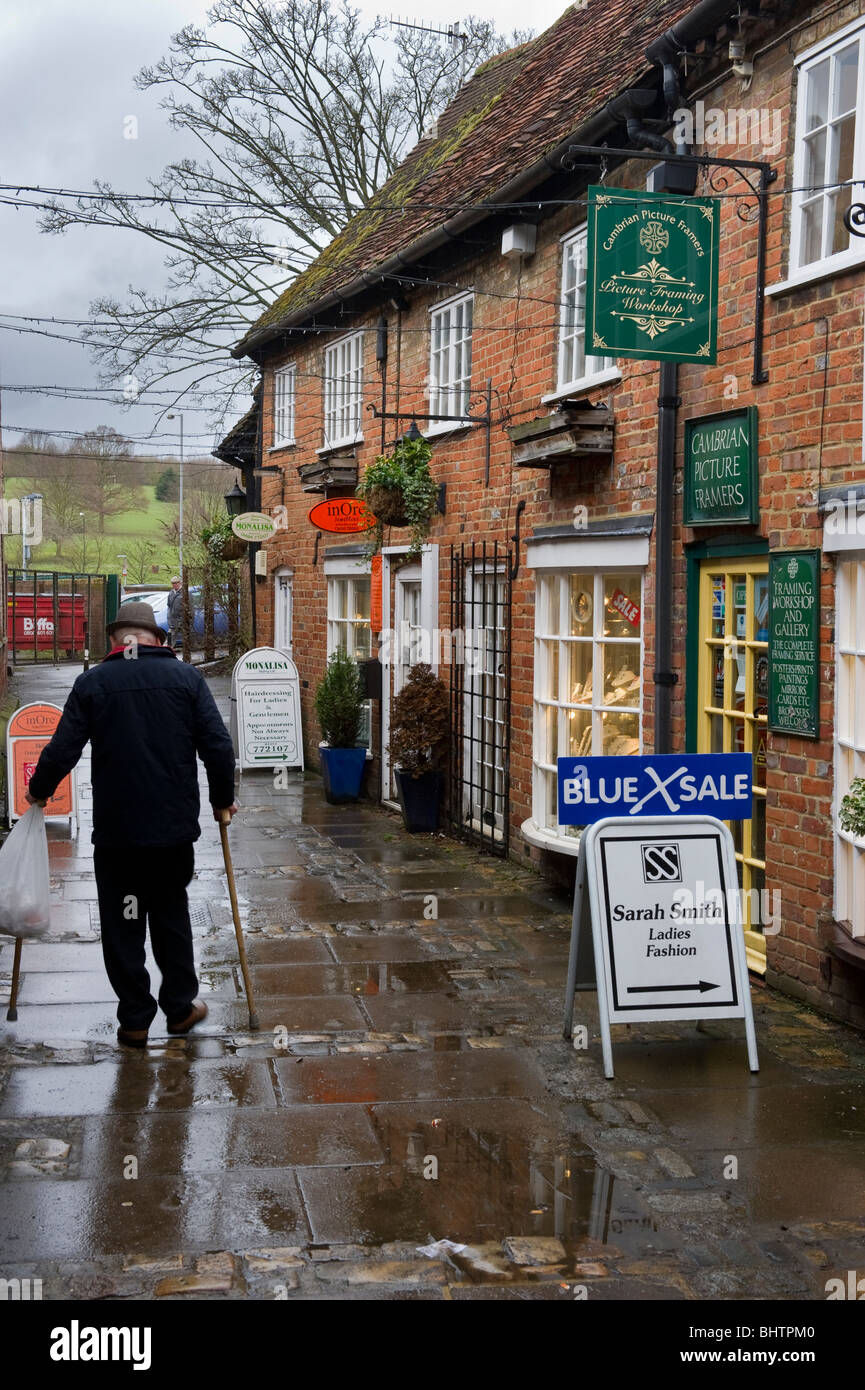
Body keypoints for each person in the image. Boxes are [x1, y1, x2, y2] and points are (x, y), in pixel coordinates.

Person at [26, 602, 237, 1049]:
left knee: (124, 920)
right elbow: (217, 746)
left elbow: (62, 748)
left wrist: (39, 791)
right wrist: (223, 800)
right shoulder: (186, 680)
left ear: (117, 643)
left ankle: (135, 1020)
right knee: (170, 915)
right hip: (171, 833)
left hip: (119, 835)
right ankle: (179, 1009)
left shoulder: (94, 683)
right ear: (157, 640)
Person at [167, 576, 184, 647]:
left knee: (187, 637)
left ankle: (188, 652)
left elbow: (190, 607)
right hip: (173, 620)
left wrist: (187, 619)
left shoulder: (184, 592)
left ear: (179, 583)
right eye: (173, 583)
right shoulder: (171, 593)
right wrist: (169, 617)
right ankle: (170, 652)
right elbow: (169, 606)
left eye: (176, 583)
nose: (175, 585)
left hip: (182, 620)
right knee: (170, 637)